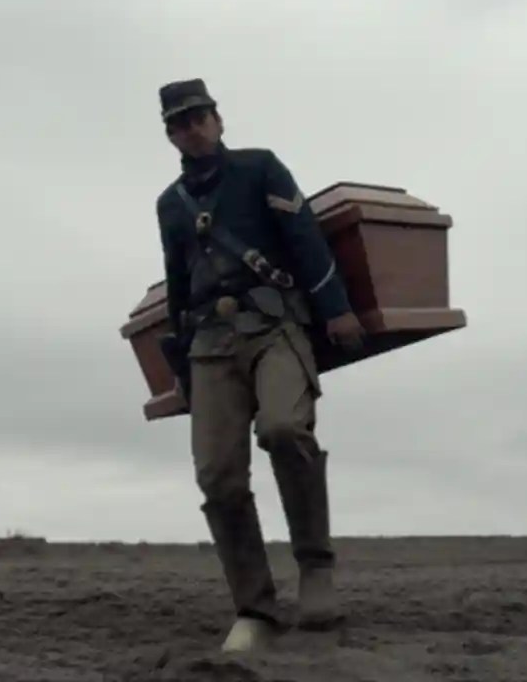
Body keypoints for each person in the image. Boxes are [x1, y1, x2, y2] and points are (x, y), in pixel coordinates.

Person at [153, 78, 367, 653]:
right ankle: (256, 609)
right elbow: (178, 282)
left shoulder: (260, 168)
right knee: (217, 475)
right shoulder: (170, 204)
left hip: (275, 325)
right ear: (169, 134)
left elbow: (305, 240)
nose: (192, 128)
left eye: (200, 116)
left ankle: (315, 569)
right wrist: (179, 366)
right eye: (179, 122)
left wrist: (337, 310)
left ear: (219, 120)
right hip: (209, 344)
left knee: (283, 427)